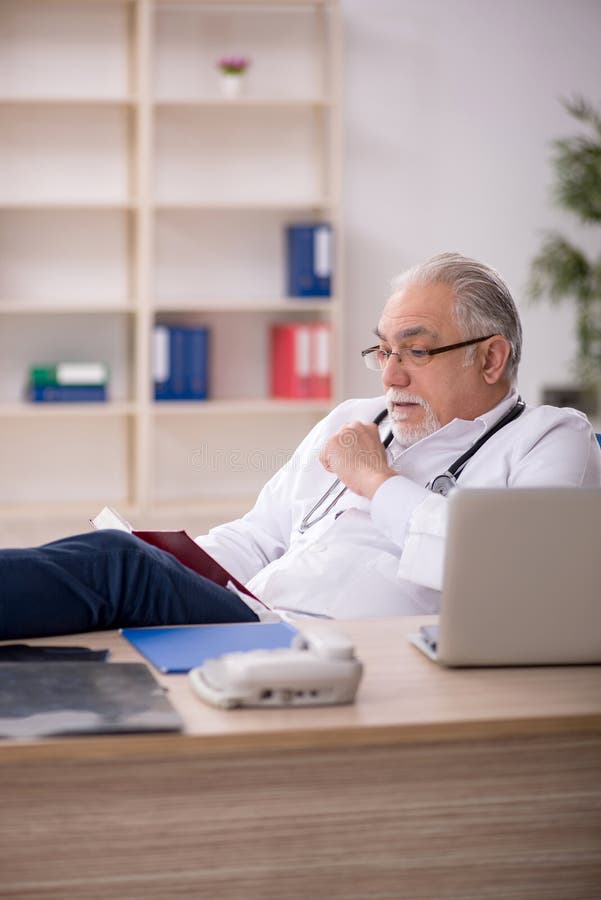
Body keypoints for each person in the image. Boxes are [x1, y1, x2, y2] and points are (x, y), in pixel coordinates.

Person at [1, 252, 600, 639]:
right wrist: (175, 559)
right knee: (120, 565)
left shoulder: (549, 439)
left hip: (338, 646)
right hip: (263, 622)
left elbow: (510, 577)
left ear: (491, 357)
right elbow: (259, 536)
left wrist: (377, 482)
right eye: (384, 351)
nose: (390, 376)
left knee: (113, 567)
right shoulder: (356, 418)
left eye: (415, 351)